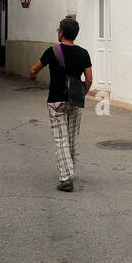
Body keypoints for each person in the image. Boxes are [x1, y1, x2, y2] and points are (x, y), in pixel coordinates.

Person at [28, 16, 93, 192]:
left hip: (56, 100)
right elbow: (88, 80)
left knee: (61, 139)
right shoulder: (83, 53)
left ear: (61, 33)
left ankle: (65, 179)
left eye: (58, 30)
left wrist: (33, 76)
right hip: (75, 102)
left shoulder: (52, 51)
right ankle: (69, 170)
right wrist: (81, 95)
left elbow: (34, 69)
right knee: (71, 139)